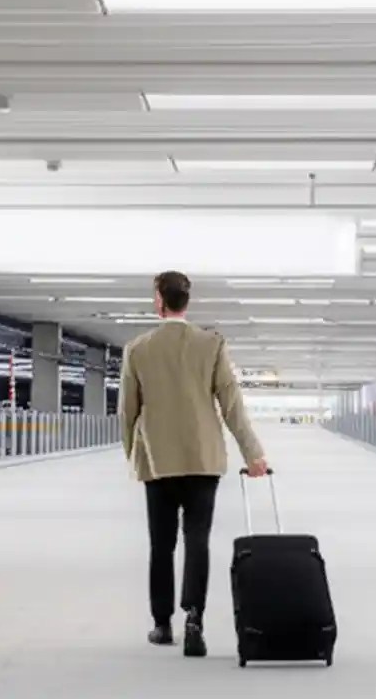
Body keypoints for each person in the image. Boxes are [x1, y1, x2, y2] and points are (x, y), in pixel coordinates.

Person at [118, 270, 270, 658]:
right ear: (187, 302)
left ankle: (162, 623)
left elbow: (127, 413)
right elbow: (231, 404)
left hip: (158, 459)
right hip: (204, 460)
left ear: (158, 300)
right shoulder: (212, 345)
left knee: (162, 545)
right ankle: (194, 620)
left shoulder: (138, 349)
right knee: (197, 539)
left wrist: (132, 456)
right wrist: (253, 454)